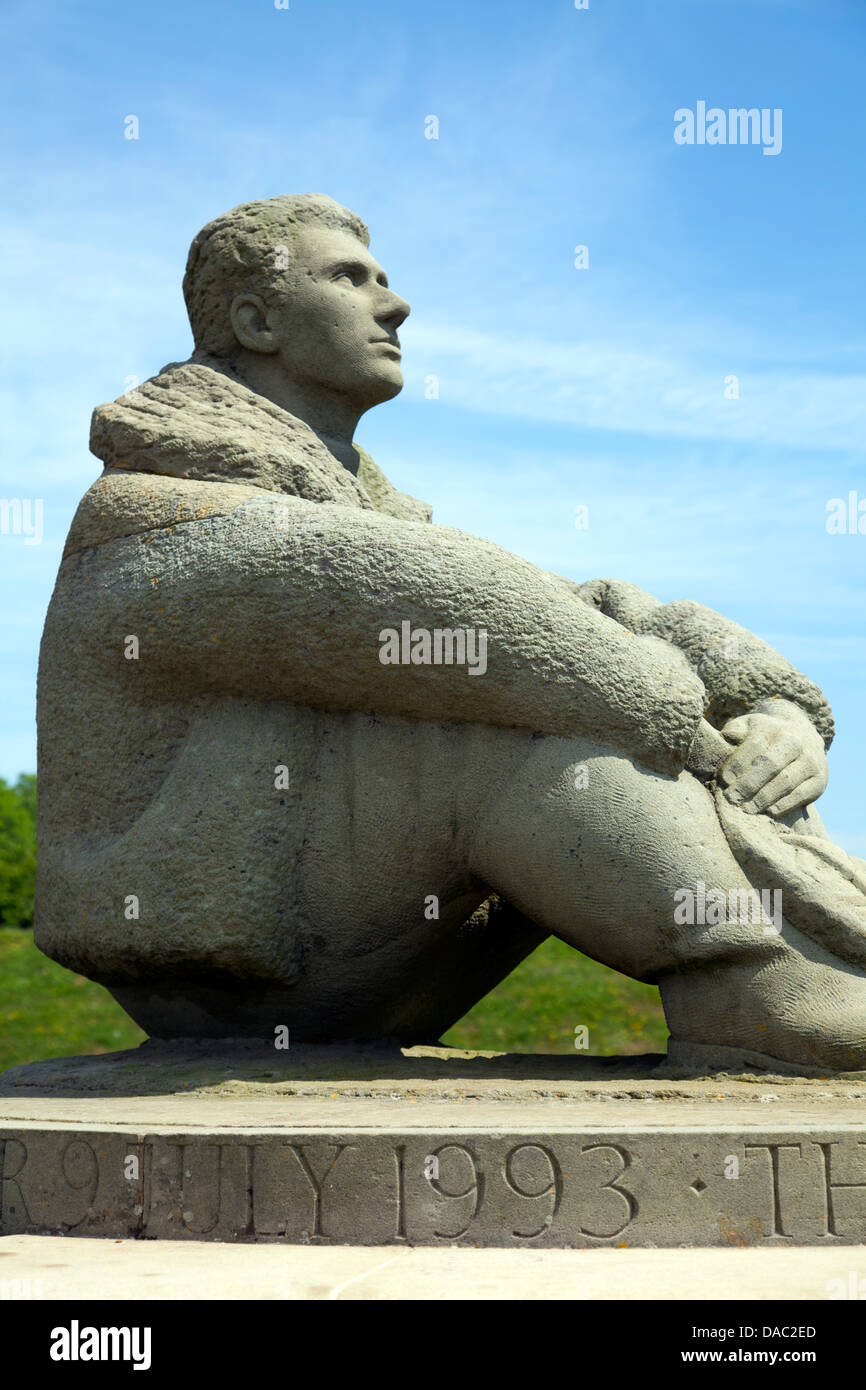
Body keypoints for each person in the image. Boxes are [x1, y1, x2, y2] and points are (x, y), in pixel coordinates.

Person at [35, 194, 866, 1069]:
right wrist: (656, 697)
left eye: (384, 280)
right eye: (350, 279)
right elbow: (436, 599)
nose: (394, 306)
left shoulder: (365, 508)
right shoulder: (150, 514)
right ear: (257, 320)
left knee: (556, 677)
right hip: (226, 979)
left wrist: (769, 703)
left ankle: (815, 963)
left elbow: (576, 604)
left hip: (363, 958)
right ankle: (756, 983)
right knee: (500, 704)